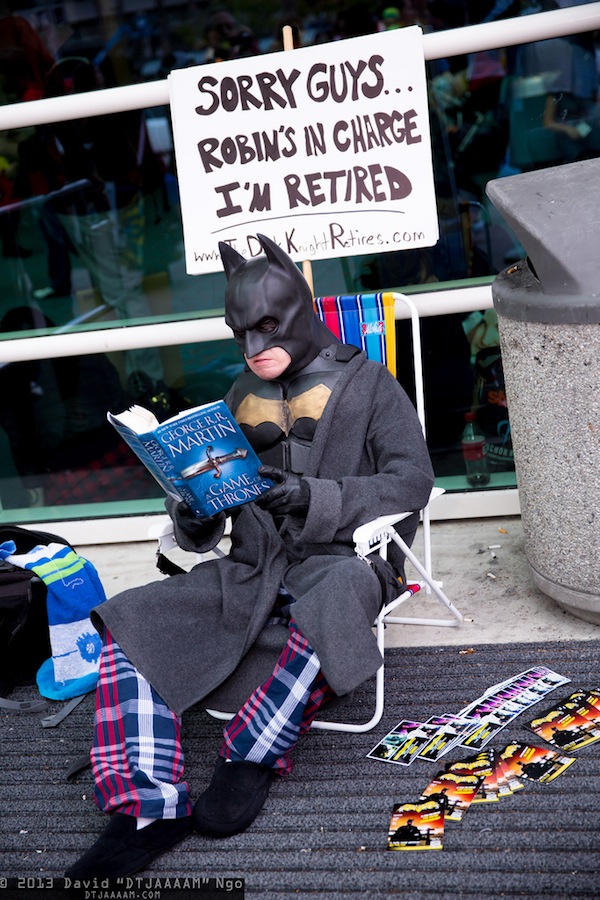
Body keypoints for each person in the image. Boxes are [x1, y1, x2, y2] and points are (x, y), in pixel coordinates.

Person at [65, 234, 434, 878]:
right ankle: (146, 804)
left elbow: (411, 483)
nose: (253, 347)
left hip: (340, 557)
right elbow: (221, 493)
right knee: (129, 617)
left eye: (267, 327)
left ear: (301, 312)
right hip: (253, 567)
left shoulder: (370, 385)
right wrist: (192, 511)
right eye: (240, 333)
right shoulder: (238, 392)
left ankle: (252, 752)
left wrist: (312, 496)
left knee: (340, 590)